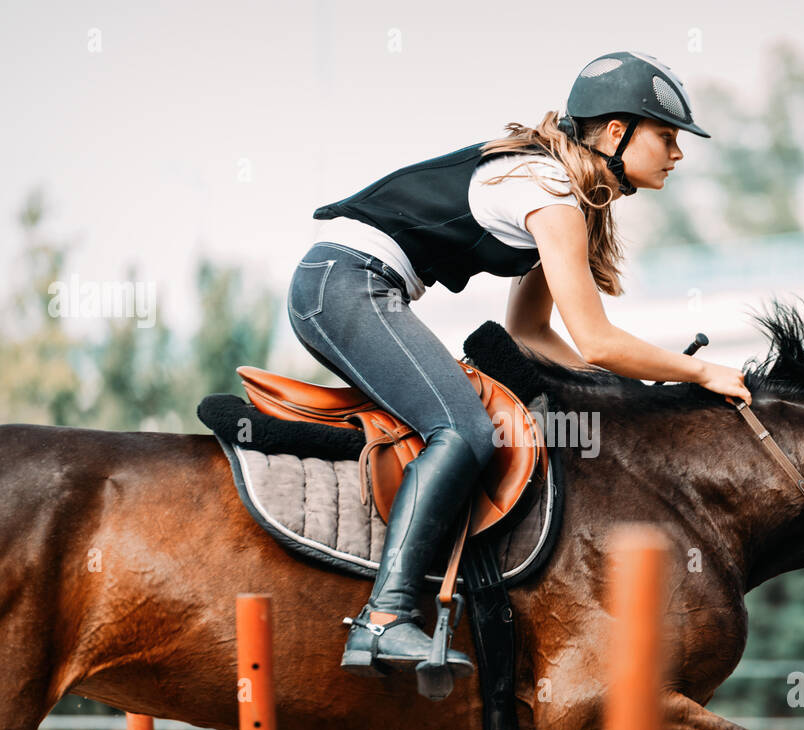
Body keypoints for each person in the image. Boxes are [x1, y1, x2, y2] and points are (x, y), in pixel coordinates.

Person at [286, 50, 752, 686]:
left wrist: (630, 386)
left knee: (464, 424)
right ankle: (384, 617)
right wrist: (700, 374)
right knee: (467, 431)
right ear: (617, 133)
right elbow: (595, 340)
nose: (677, 153)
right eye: (666, 136)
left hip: (349, 284)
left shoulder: (564, 188)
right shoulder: (553, 191)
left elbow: (530, 333)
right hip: (343, 285)